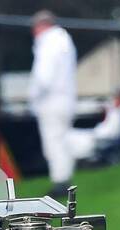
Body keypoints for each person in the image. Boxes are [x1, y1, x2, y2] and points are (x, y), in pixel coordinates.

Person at [28, 10, 78, 195]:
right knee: (62, 140)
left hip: (51, 101)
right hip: (66, 99)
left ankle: (60, 182)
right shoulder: (65, 40)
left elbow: (43, 77)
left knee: (53, 142)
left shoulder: (48, 43)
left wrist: (34, 95)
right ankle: (65, 178)